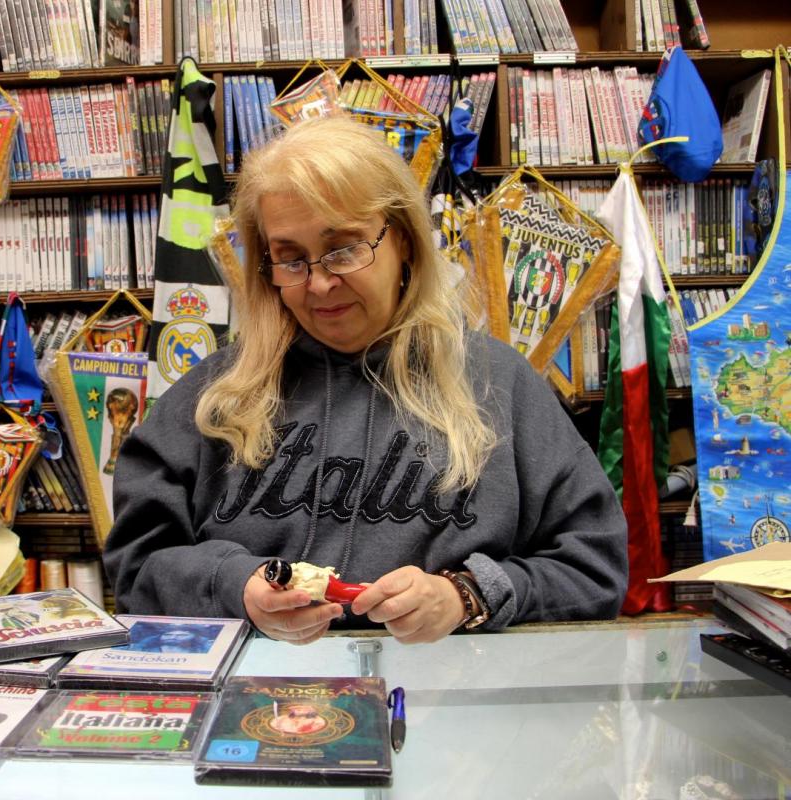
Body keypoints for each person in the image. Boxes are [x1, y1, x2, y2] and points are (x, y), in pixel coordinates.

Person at [103, 115, 628, 645]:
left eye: (345, 247)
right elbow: (137, 568)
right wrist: (235, 587)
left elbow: (596, 571)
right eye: (290, 259)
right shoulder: (213, 396)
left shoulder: (501, 385)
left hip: (448, 708)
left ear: (402, 240)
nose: (321, 283)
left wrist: (467, 596)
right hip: (258, 708)